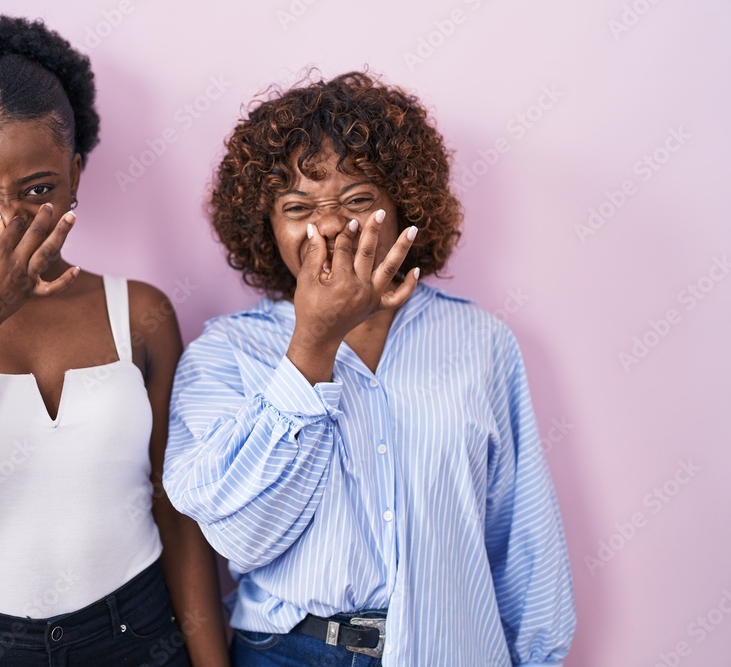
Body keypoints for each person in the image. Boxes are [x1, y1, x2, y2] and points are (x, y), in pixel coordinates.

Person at [162, 71, 576, 666]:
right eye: (298, 206)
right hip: (290, 651)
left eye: (357, 200)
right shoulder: (224, 354)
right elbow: (244, 538)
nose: (330, 225)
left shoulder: (479, 342)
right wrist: (312, 343)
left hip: (448, 647)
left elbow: (520, 536)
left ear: (402, 204)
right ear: (266, 227)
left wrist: (538, 657)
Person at [0, 14, 228, 666]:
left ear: (76, 173)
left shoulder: (139, 312)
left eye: (38, 190)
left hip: (136, 635)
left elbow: (177, 513)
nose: (9, 220)